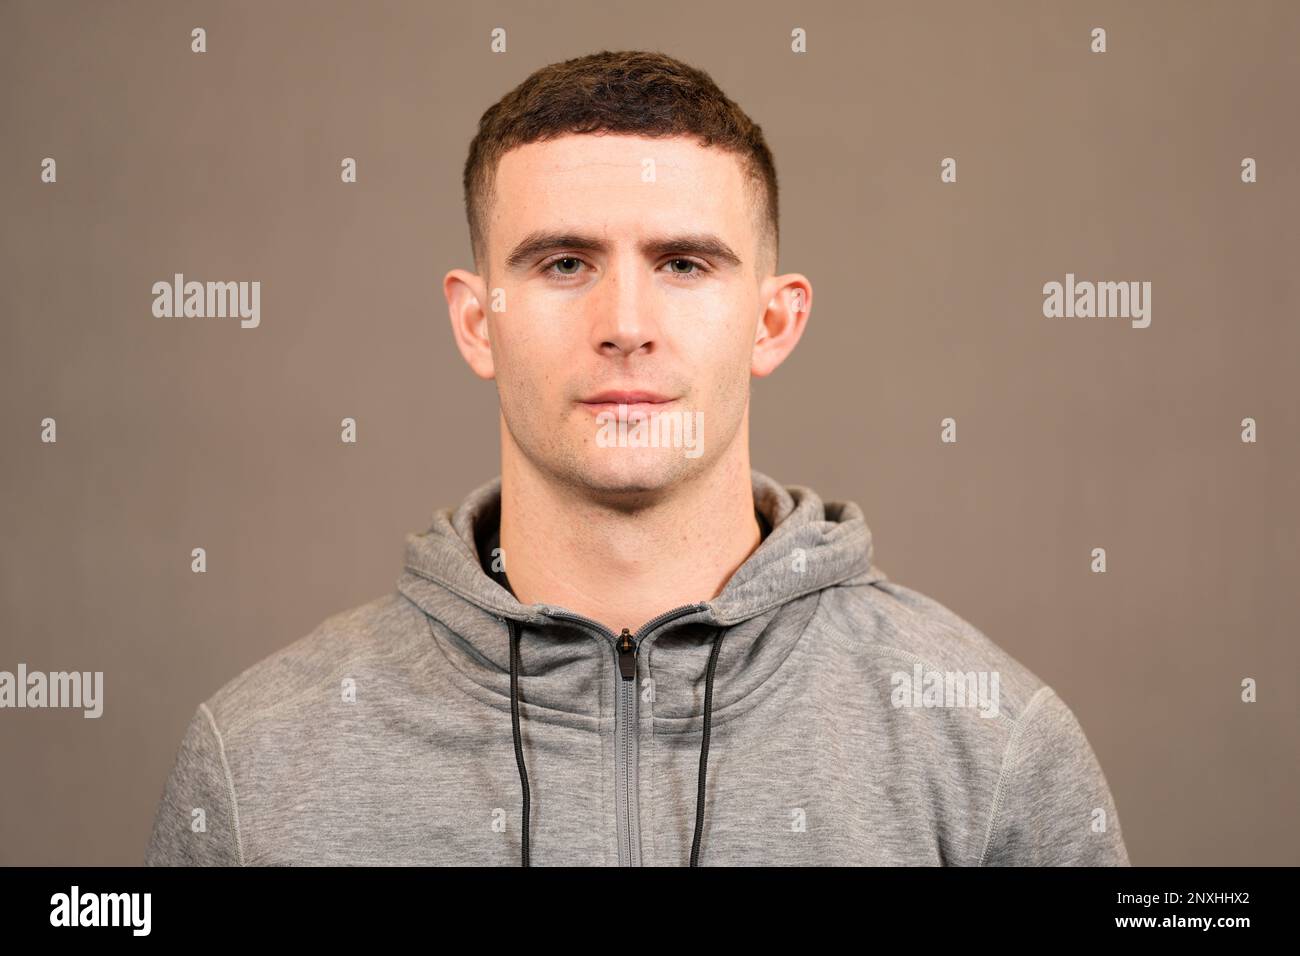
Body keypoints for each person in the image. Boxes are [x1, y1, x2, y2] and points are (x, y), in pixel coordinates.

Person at [146, 49, 1129, 866]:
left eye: (684, 264)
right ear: (475, 319)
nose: (624, 325)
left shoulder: (989, 743)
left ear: (773, 320)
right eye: (563, 262)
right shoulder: (262, 759)